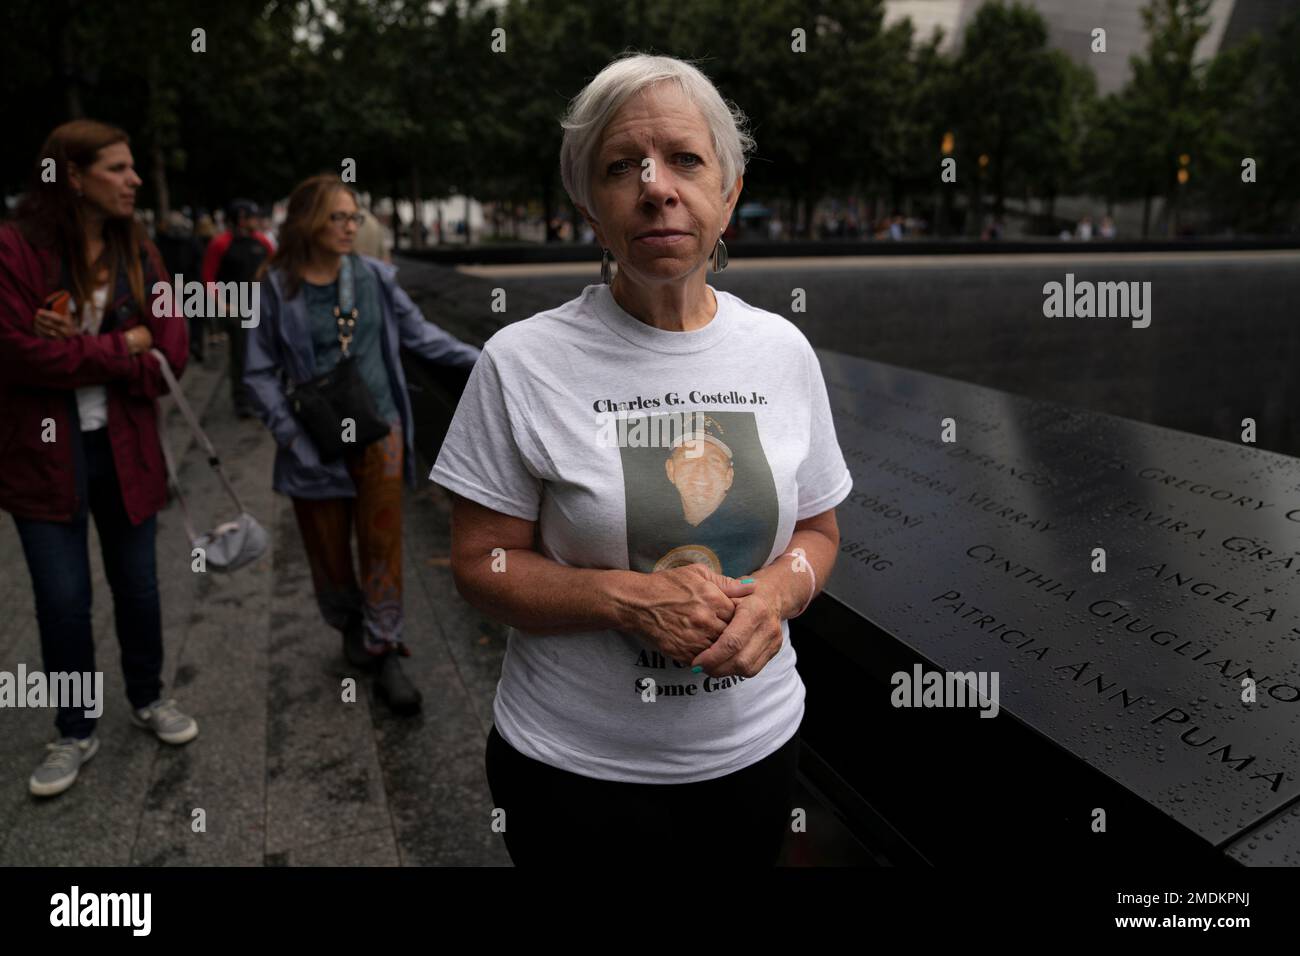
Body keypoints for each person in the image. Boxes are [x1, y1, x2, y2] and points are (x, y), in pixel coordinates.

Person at [431, 53, 853, 866]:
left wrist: (776, 592)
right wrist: (628, 601)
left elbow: (819, 530)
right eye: (623, 166)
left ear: (728, 194)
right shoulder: (522, 362)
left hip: (756, 756)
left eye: (686, 160)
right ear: (592, 208)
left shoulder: (782, 350)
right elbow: (480, 564)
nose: (657, 185)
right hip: (576, 774)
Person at [0, 120, 197, 798]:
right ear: (73, 177)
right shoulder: (16, 250)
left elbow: (172, 348)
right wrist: (123, 345)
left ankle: (147, 696)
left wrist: (79, 350)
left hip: (126, 447)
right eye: (117, 168)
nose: (134, 180)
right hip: (41, 455)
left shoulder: (141, 251)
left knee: (138, 587)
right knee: (62, 601)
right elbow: (16, 354)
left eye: (133, 166)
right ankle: (73, 730)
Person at [244, 174, 481, 716]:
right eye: (337, 217)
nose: (350, 227)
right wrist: (288, 432)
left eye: (354, 217)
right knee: (326, 549)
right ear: (307, 223)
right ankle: (348, 621)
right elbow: (257, 372)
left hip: (381, 432)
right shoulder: (275, 289)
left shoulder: (375, 277)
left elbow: (420, 335)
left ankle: (384, 645)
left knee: (382, 543)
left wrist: (488, 356)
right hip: (312, 441)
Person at [202, 198, 273, 417]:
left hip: (260, 307)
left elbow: (275, 270)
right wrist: (223, 305)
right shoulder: (220, 244)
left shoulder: (262, 242)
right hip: (236, 308)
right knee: (240, 355)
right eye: (252, 217)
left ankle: (263, 394)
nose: (257, 221)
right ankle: (242, 400)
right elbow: (208, 278)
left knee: (265, 353)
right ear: (241, 219)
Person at [154, 211, 206, 361]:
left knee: (179, 319)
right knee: (191, 318)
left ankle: (183, 346)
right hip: (184, 283)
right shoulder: (190, 241)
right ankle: (192, 344)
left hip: (176, 284)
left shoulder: (163, 242)